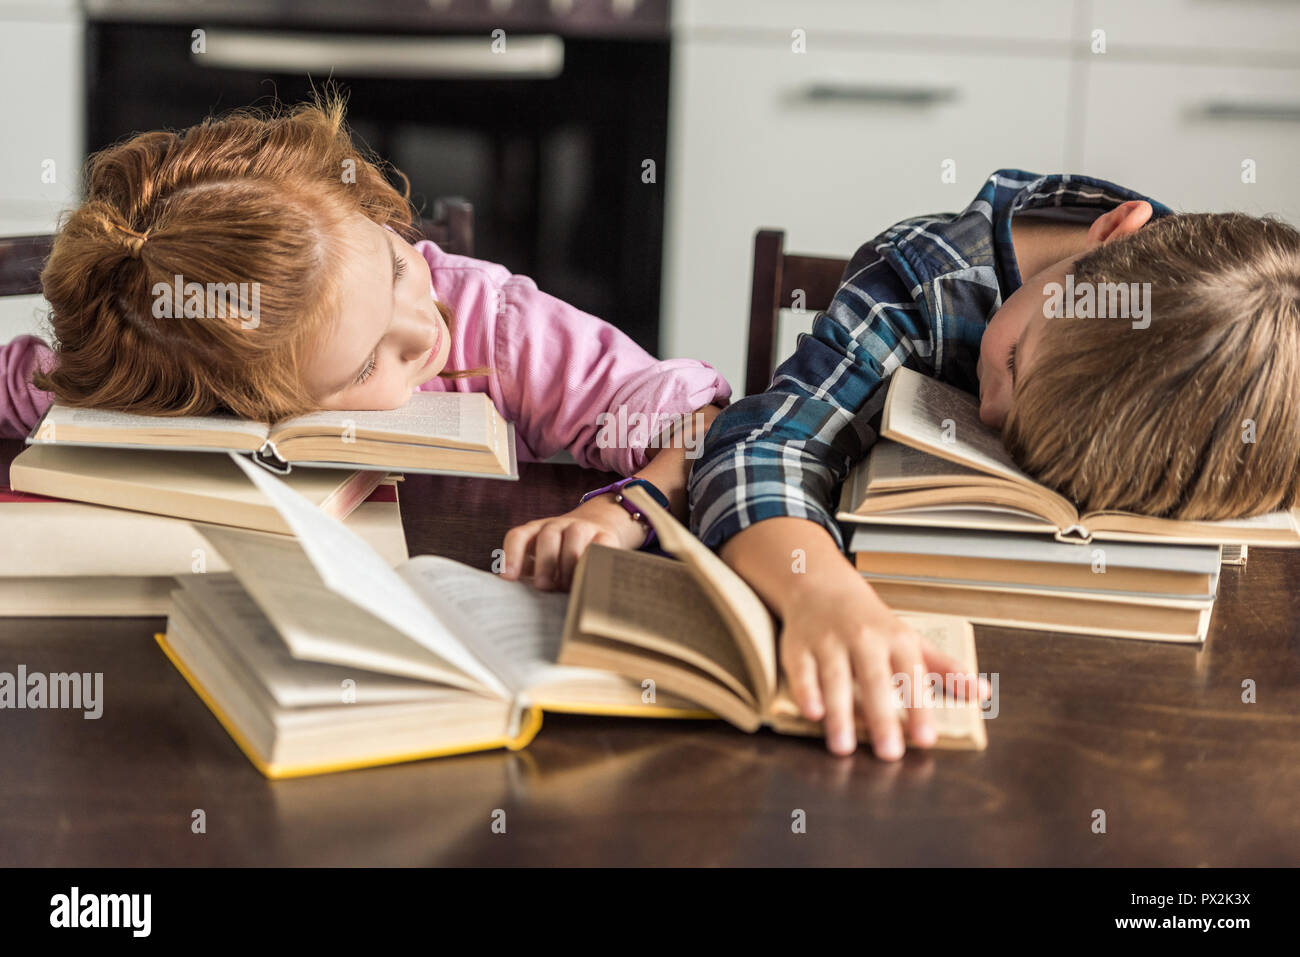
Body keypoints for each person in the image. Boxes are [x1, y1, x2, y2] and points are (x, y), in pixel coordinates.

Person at [688, 169, 1300, 759]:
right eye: (1014, 361)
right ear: (1112, 235)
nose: (990, 407)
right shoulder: (920, 282)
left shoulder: (1248, 359)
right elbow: (768, 445)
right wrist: (820, 595)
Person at [0, 96, 730, 589]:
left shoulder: (495, 323)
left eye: (394, 266)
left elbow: (695, 423)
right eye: (365, 363)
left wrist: (623, 509)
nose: (426, 331)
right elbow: (35, 386)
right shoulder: (166, 357)